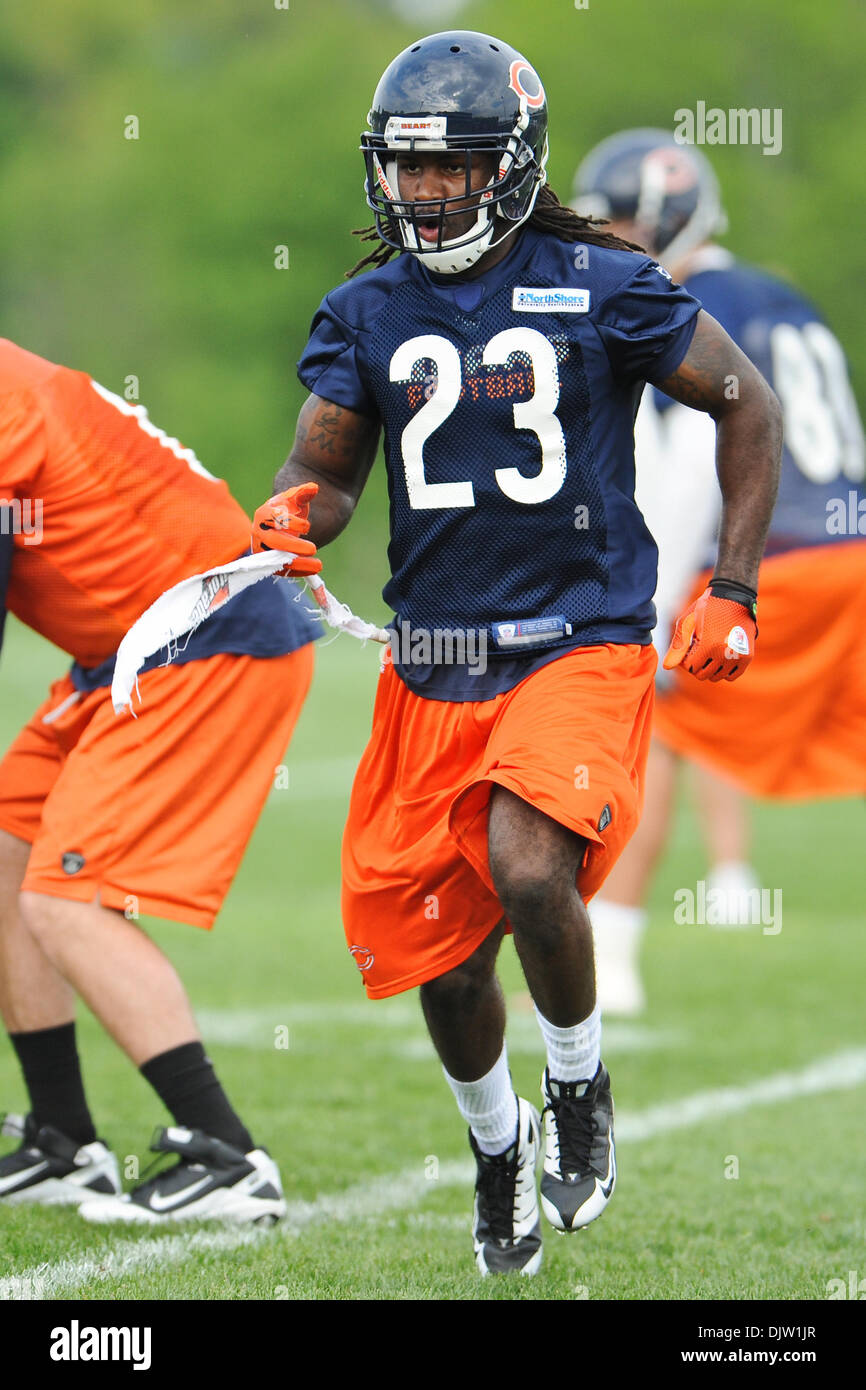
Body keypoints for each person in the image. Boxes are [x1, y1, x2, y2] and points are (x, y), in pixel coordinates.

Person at [253, 32, 782, 1274]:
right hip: (432, 664)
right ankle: (496, 1147)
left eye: (458, 167)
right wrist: (288, 515)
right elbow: (322, 472)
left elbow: (743, 401)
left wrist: (734, 582)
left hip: (578, 643)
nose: (428, 193)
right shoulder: (366, 309)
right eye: (409, 170)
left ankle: (580, 1084)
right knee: (441, 963)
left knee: (529, 867)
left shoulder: (599, 281)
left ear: (514, 162)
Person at [0, 338, 318, 1223]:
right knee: (7, 851)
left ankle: (228, 1154)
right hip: (131, 646)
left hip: (203, 641)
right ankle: (63, 1137)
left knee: (66, 898)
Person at [571, 129, 866, 1015]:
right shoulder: (779, 292)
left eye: (621, 221)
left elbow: (708, 453)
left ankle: (612, 958)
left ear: (665, 218)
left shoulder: (685, 303)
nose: (611, 238)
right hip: (850, 547)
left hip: (774, 557)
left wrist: (656, 611)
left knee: (657, 719)